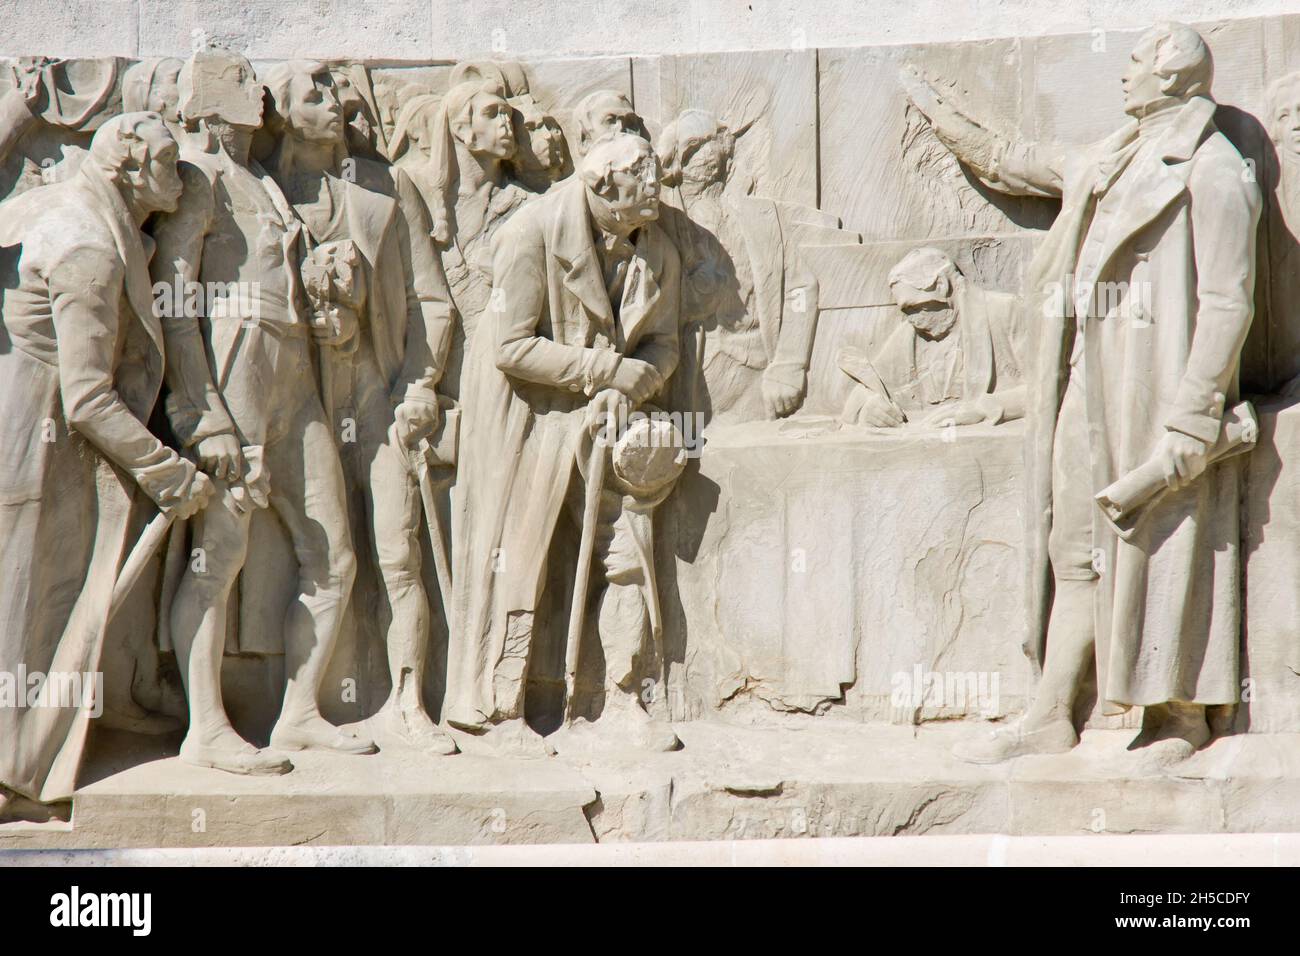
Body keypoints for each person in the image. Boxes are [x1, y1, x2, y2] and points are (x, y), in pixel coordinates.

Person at [905, 22, 1261, 765]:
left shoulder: (1214, 169)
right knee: (1075, 543)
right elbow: (1015, 163)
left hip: (1158, 384)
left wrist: (1196, 411)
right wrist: (937, 108)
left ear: (1172, 78)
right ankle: (1052, 708)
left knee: (1166, 545)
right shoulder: (1109, 155)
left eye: (1135, 62)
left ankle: (1180, 718)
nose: (1122, 73)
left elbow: (1229, 299)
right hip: (1087, 378)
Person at [154, 50, 376, 772]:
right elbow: (176, 301)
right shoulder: (198, 177)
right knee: (220, 553)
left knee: (333, 551)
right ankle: (207, 727)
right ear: (217, 101)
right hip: (234, 369)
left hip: (294, 378)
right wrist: (202, 412)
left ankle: (300, 711)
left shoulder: (266, 184)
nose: (262, 88)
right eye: (247, 80)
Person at [0, 112, 212, 816]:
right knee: (31, 606)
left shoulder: (59, 202)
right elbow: (89, 398)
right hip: (42, 442)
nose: (178, 178)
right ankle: (12, 776)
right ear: (126, 166)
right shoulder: (90, 243)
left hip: (32, 427)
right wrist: (167, 471)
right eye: (167, 163)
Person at [446, 132, 683, 757]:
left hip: (599, 423)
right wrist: (604, 372)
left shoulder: (655, 241)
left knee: (624, 552)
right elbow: (510, 347)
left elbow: (663, 344)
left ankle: (621, 698)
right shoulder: (532, 233)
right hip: (526, 418)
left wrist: (634, 385)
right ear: (604, 186)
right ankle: (498, 713)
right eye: (645, 179)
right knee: (517, 567)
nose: (658, 188)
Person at [263, 61, 457, 753]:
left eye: (336, 91)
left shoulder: (382, 187)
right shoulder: (260, 198)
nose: (335, 102)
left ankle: (409, 702)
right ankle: (298, 711)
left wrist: (420, 384)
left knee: (399, 552)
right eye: (314, 94)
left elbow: (434, 299)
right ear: (281, 112)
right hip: (299, 404)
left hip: (376, 396)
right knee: (322, 558)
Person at [839, 247, 1025, 428]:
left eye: (914, 307)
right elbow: (870, 384)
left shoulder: (1006, 311)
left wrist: (983, 407)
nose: (911, 319)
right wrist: (869, 407)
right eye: (906, 311)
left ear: (942, 285)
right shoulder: (910, 332)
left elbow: (1047, 386)